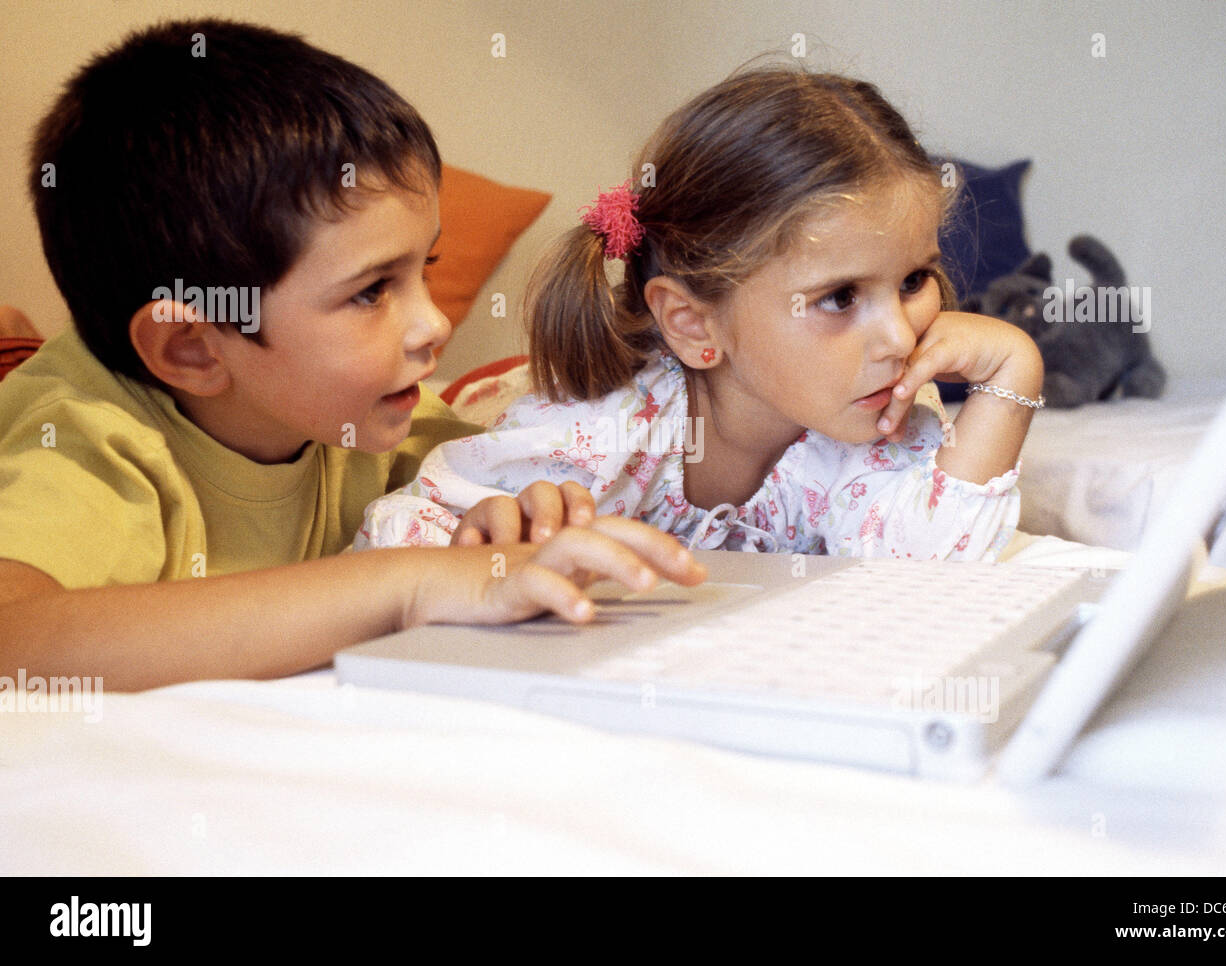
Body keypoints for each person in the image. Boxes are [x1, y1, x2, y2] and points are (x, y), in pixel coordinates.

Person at [0, 19, 705, 692]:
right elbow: (13, 646)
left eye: (424, 267)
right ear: (193, 348)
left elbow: (471, 505)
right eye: (371, 292)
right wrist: (406, 585)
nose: (431, 324)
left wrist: (502, 520)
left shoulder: (372, 416)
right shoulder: (86, 442)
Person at [359, 68, 1044, 558]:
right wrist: (487, 538)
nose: (899, 335)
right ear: (694, 323)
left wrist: (1015, 370)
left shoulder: (878, 407)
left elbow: (931, 563)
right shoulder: (596, 436)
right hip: (512, 391)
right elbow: (392, 532)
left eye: (915, 278)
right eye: (840, 297)